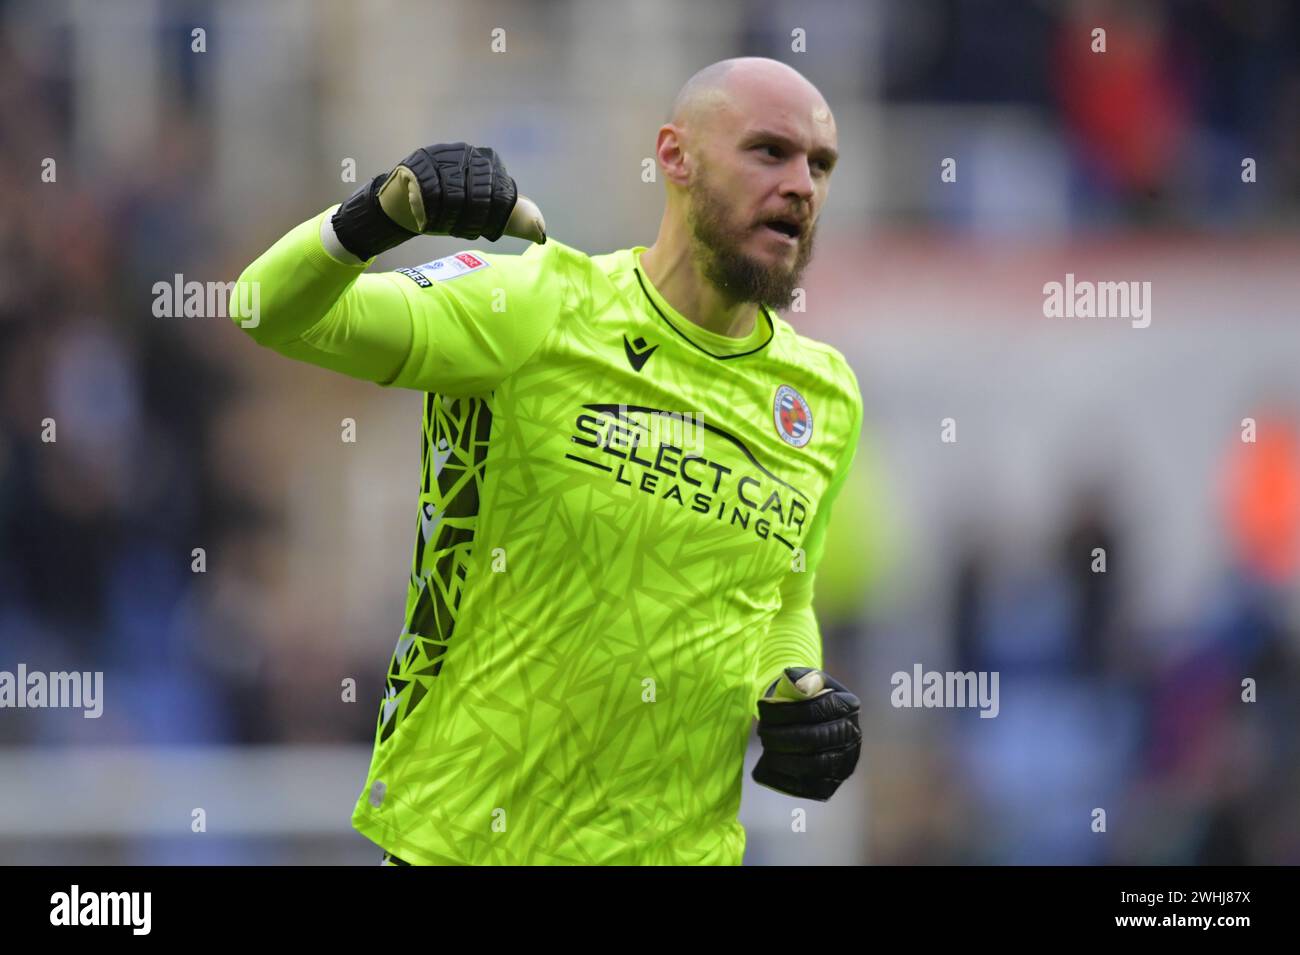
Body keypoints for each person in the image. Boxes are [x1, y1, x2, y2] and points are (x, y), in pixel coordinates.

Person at [230, 56, 863, 866]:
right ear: (676, 156)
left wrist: (796, 691)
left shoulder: (823, 397)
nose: (802, 184)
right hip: (464, 845)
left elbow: (783, 597)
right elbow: (264, 310)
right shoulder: (539, 303)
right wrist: (372, 219)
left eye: (820, 166)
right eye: (769, 152)